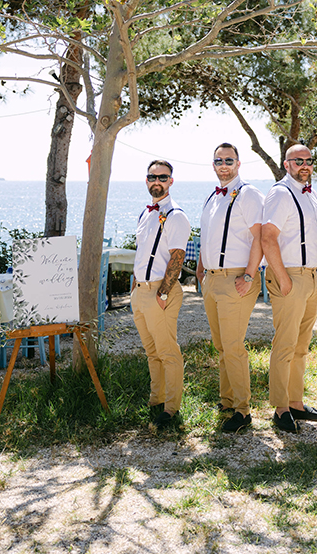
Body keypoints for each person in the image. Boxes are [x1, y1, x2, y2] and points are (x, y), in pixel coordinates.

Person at [197, 143, 265, 433]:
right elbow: (208, 237)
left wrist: (249, 275)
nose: (223, 165)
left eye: (228, 160)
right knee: (221, 344)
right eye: (218, 160)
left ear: (238, 163)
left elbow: (260, 238)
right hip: (212, 280)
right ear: (213, 164)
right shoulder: (212, 197)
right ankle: (226, 401)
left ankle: (242, 410)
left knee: (234, 346)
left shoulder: (249, 195)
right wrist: (201, 271)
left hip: (237, 279)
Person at [262, 143, 317, 433]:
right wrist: (283, 277)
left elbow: (314, 235)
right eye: (297, 160)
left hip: (312, 277)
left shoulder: (311, 194)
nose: (304, 164)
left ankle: (296, 404)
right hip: (289, 276)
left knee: (301, 347)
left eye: (308, 160)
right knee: (285, 344)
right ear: (286, 164)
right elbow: (268, 237)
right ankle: (280, 409)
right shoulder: (281, 193)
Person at [131, 159, 190, 430]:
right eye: (152, 177)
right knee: (151, 351)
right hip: (141, 292)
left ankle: (171, 407)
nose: (157, 182)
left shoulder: (176, 215)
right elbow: (143, 252)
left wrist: (163, 293)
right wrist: (135, 286)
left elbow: (177, 257)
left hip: (160, 292)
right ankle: (156, 400)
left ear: (171, 181)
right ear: (147, 180)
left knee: (167, 351)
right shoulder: (146, 213)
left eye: (162, 177)